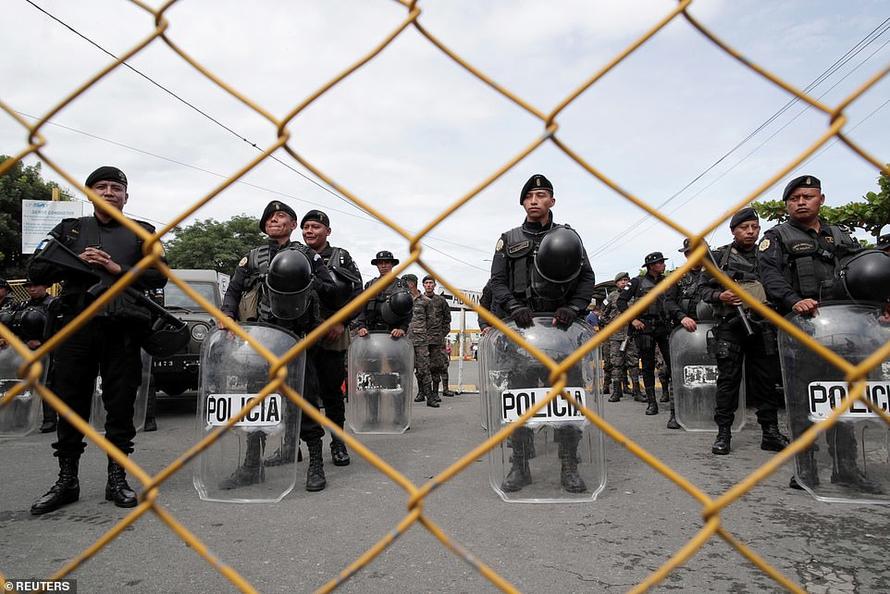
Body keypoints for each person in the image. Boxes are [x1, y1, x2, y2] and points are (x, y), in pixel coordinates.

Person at [28, 166, 168, 515]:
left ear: (126, 196)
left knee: (120, 404)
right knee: (70, 402)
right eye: (101, 187)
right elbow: (37, 270)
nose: (109, 192)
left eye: (116, 187)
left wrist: (117, 269)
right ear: (89, 193)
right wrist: (78, 262)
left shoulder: (143, 233)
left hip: (121, 329)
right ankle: (67, 479)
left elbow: (160, 276)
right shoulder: (70, 230)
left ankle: (117, 478)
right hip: (76, 328)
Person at [758, 175, 879, 491]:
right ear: (787, 203)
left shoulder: (841, 236)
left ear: (821, 200)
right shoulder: (777, 238)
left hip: (847, 331)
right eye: (795, 197)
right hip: (805, 332)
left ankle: (846, 468)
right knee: (804, 402)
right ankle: (806, 468)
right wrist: (794, 300)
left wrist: (881, 303)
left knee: (844, 400)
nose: (801, 202)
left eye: (807, 196)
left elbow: (864, 272)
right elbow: (770, 277)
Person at [219, 200, 337, 492]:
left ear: (292, 225)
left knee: (306, 401)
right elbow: (233, 290)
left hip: (295, 339)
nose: (274, 220)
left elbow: (332, 290)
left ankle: (315, 465)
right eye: (269, 217)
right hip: (260, 339)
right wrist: (226, 314)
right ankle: (251, 465)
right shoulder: (252, 256)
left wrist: (308, 279)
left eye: (281, 216)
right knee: (256, 404)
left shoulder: (307, 254)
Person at [488, 173, 596, 493]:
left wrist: (574, 309)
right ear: (522, 202)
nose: (534, 200)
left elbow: (586, 278)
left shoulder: (569, 237)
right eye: (529, 196)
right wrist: (511, 306)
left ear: (552, 201)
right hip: (522, 334)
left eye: (541, 195)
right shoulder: (508, 239)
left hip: (561, 334)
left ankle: (569, 465)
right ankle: (519, 466)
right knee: (518, 403)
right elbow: (497, 281)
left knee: (566, 401)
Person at [699, 208, 789, 455]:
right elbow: (703, 290)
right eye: (744, 227)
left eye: (754, 227)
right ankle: (724, 433)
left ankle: (769, 432)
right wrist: (721, 294)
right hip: (731, 325)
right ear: (733, 230)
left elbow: (781, 285)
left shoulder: (768, 255)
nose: (750, 232)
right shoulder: (719, 258)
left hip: (763, 325)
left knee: (766, 382)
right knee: (728, 381)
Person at [300, 209, 362, 467]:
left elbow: (357, 293)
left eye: (315, 226)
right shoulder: (297, 254)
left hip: (332, 331)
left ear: (327, 231)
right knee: (300, 392)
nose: (309, 231)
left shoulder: (341, 257)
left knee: (332, 392)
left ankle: (338, 442)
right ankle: (295, 444)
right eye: (305, 227)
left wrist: (342, 322)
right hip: (302, 333)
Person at [616, 252, 681, 426]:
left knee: (671, 363)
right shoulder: (637, 282)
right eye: (660, 263)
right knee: (647, 365)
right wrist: (633, 319)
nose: (663, 265)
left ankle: (676, 405)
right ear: (651, 265)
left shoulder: (667, 281)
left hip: (664, 327)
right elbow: (621, 302)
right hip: (644, 327)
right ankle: (652, 402)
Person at [9, 280, 57, 432]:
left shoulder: (54, 304)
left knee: (48, 384)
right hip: (27, 348)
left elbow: (60, 327)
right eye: (29, 286)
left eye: (36, 285)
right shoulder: (23, 305)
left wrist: (43, 341)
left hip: (50, 348)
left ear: (45, 285)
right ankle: (22, 419)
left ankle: (50, 419)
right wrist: (26, 341)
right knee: (23, 382)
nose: (32, 289)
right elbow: (16, 326)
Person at [602, 272, 642, 403]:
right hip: (616, 335)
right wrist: (612, 323)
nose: (624, 282)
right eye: (621, 281)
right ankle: (616, 392)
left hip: (631, 333)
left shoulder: (633, 295)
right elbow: (603, 315)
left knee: (633, 362)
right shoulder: (612, 297)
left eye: (626, 280)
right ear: (616, 283)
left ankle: (637, 391)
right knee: (616, 364)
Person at [404, 274, 436, 407]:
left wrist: (421, 331)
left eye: (407, 283)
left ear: (413, 283)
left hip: (421, 341)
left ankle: (430, 397)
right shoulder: (403, 299)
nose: (405, 285)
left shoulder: (426, 301)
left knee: (424, 369)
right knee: (405, 370)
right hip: (404, 341)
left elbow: (431, 320)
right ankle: (407, 397)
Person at [422, 275, 454, 398]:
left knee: (442, 363)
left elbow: (447, 319)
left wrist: (442, 334)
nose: (429, 285)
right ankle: (425, 391)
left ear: (434, 285)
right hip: (423, 339)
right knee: (424, 365)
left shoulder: (440, 301)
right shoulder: (420, 300)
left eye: (431, 283)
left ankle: (445, 388)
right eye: (426, 283)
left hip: (438, 339)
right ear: (423, 285)